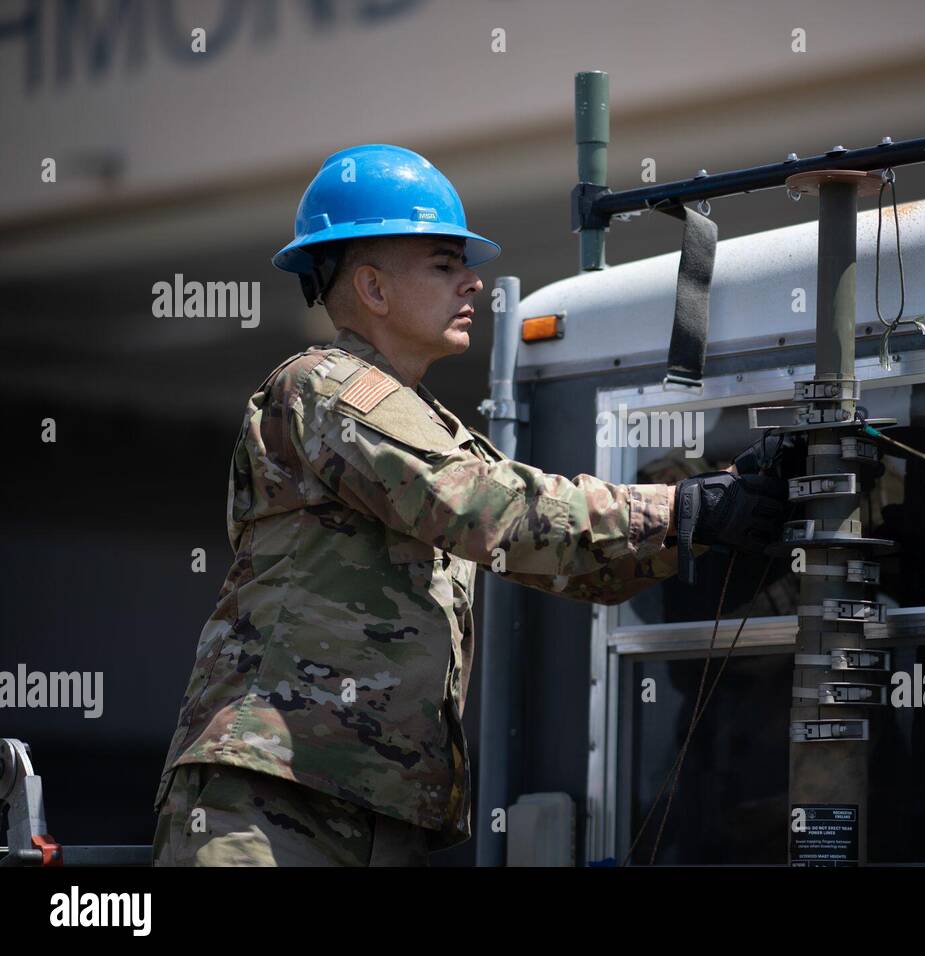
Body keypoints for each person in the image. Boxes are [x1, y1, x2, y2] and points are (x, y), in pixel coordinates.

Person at [150, 144, 787, 866]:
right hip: (273, 794)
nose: (473, 284)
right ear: (373, 288)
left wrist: (717, 515)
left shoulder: (426, 424)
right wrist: (683, 510)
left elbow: (567, 567)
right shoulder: (325, 386)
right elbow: (490, 510)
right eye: (445, 265)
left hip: (370, 801)